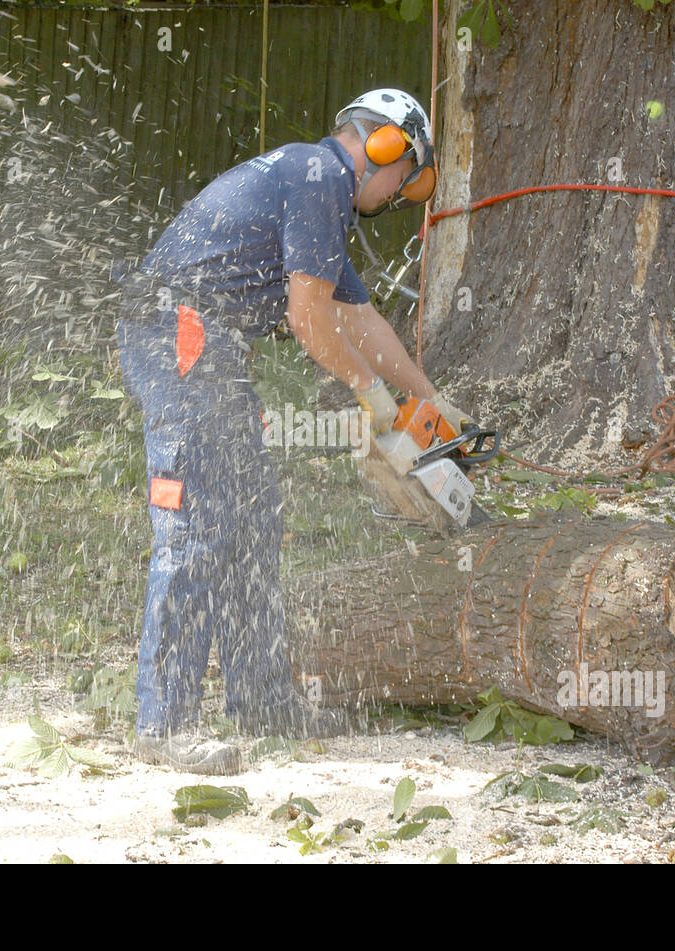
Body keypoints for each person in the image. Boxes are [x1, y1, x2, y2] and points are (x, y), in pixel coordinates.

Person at [115, 88, 472, 774]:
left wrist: (427, 399)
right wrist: (372, 396)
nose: (400, 192)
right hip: (182, 335)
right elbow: (309, 319)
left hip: (212, 345)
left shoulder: (316, 187)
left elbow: (359, 319)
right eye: (406, 173)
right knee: (198, 526)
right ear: (384, 146)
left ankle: (261, 699)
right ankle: (163, 725)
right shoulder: (318, 177)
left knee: (250, 517)